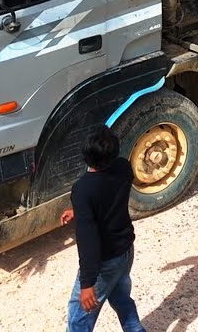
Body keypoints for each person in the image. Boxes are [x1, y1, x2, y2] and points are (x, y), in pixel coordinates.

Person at [61, 127, 146, 332]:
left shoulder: (83, 189)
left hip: (105, 262)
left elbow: (88, 240)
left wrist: (87, 284)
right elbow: (110, 195)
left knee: (78, 319)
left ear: (85, 156)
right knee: (121, 299)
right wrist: (80, 210)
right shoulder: (123, 167)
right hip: (125, 251)